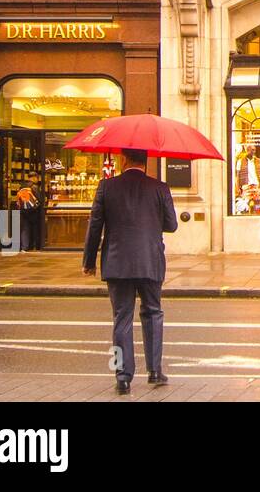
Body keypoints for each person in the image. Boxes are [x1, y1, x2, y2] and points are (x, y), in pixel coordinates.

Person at [82, 149, 177, 395]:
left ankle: (123, 376)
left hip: (117, 262)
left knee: (121, 318)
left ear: (123, 160)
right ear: (146, 161)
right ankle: (155, 370)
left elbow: (95, 226)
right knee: (153, 312)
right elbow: (172, 225)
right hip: (150, 260)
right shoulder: (160, 187)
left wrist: (89, 260)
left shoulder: (106, 186)